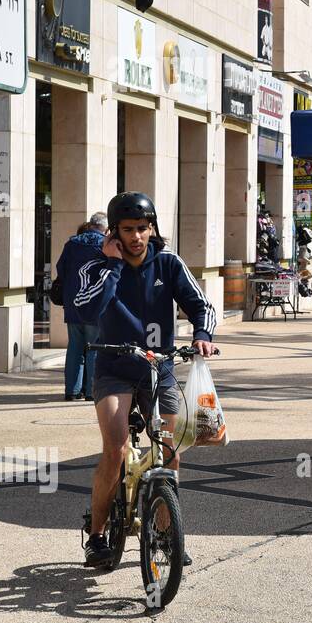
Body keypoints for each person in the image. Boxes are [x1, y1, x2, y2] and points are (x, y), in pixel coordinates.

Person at [73, 192, 216, 569]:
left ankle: (168, 534)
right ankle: (96, 535)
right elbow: (86, 309)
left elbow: (201, 305)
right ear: (114, 232)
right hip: (114, 369)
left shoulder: (168, 262)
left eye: (142, 228)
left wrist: (202, 334)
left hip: (159, 369)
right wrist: (113, 265)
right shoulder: (97, 265)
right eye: (127, 230)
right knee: (116, 447)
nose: (136, 236)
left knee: (170, 452)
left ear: (152, 228)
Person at [55, 213, 108, 401]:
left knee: (74, 347)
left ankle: (72, 390)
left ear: (91, 225)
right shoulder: (106, 244)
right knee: (94, 348)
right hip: (95, 303)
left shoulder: (72, 244)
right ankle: (91, 391)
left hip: (73, 303)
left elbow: (60, 269)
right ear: (105, 228)